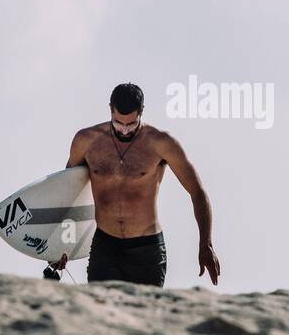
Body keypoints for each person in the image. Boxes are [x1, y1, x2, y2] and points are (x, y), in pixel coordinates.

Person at [48, 83, 219, 287]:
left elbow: (198, 193)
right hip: (105, 246)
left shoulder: (161, 143)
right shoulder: (86, 141)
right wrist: (60, 245)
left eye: (131, 123)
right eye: (119, 123)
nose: (125, 130)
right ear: (110, 108)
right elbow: (68, 193)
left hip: (147, 250)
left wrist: (205, 244)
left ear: (142, 112)